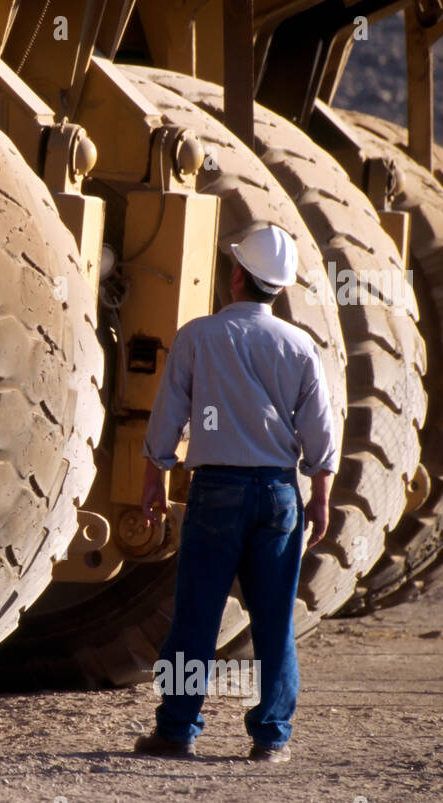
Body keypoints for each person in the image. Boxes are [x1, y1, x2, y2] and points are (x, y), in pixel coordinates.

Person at [133, 224, 339, 762]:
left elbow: (169, 412)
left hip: (216, 492)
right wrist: (320, 495)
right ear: (280, 287)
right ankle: (270, 739)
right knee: (274, 620)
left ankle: (176, 731)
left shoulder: (198, 336)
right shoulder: (300, 346)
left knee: (195, 617)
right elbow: (320, 430)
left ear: (236, 276)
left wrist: (155, 476)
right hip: (278, 494)